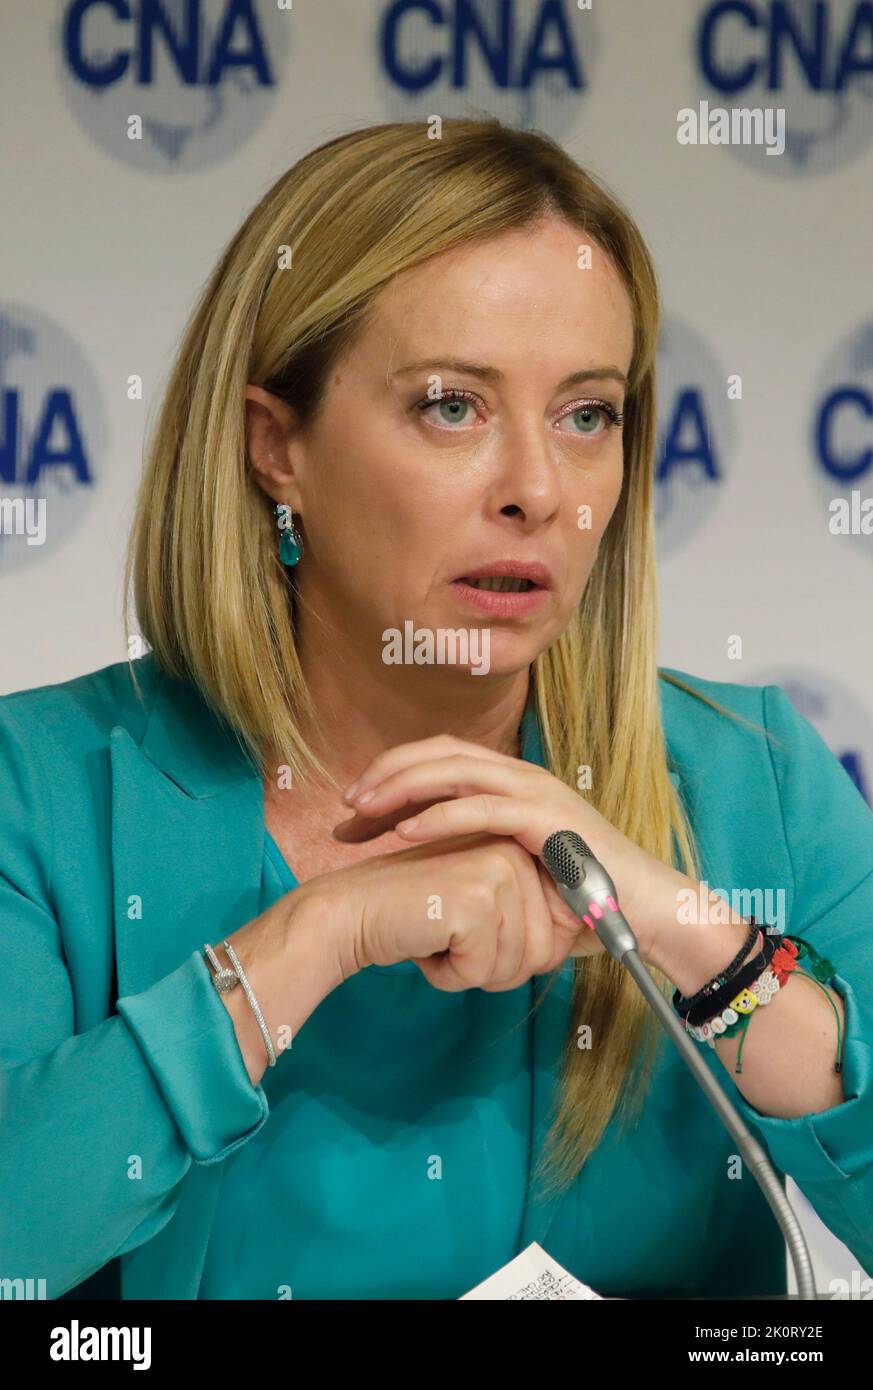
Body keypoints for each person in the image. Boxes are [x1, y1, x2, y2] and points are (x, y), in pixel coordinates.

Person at [2, 118, 872, 1302]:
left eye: (587, 415)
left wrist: (682, 927)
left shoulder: (752, 777)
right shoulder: (40, 789)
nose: (536, 492)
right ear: (276, 447)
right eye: (453, 407)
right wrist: (320, 937)